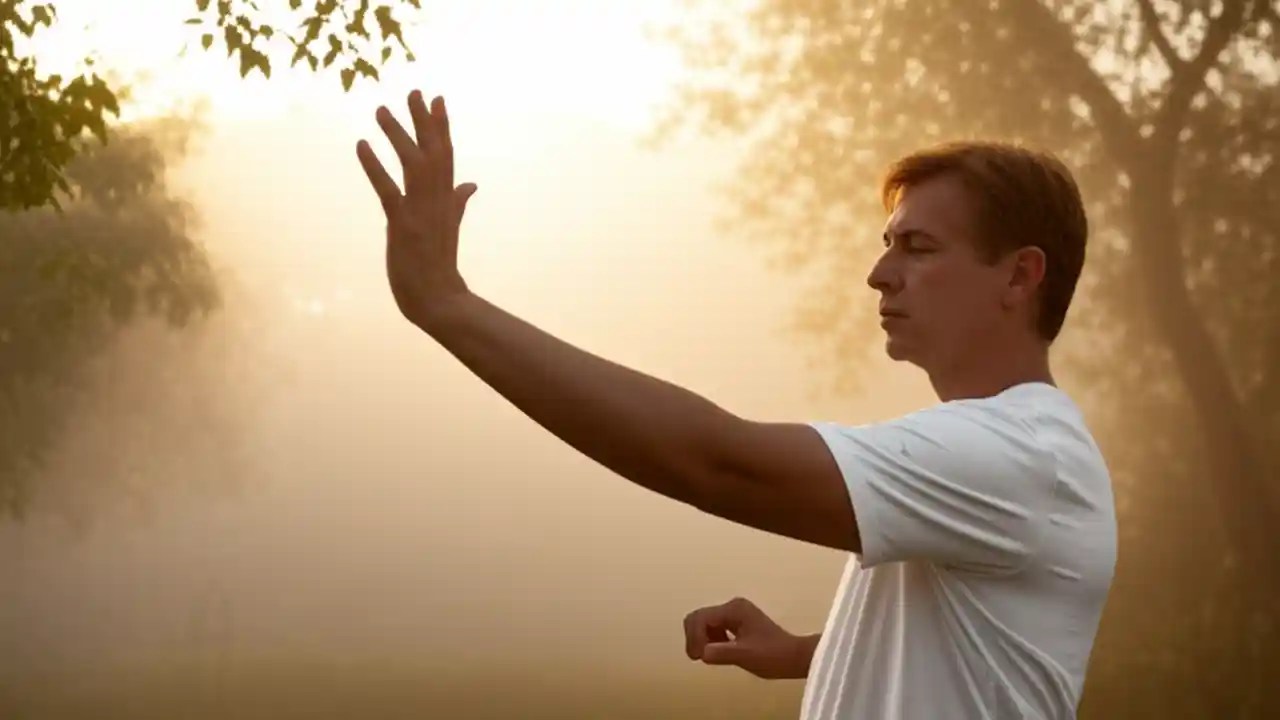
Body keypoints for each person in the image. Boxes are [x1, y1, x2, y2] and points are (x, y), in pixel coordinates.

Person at [355, 91, 1117, 719]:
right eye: (889, 243)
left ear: (1019, 278)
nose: (879, 274)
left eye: (917, 248)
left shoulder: (1018, 456)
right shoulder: (1007, 462)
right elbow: (972, 646)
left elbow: (714, 462)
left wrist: (446, 305)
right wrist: (801, 652)